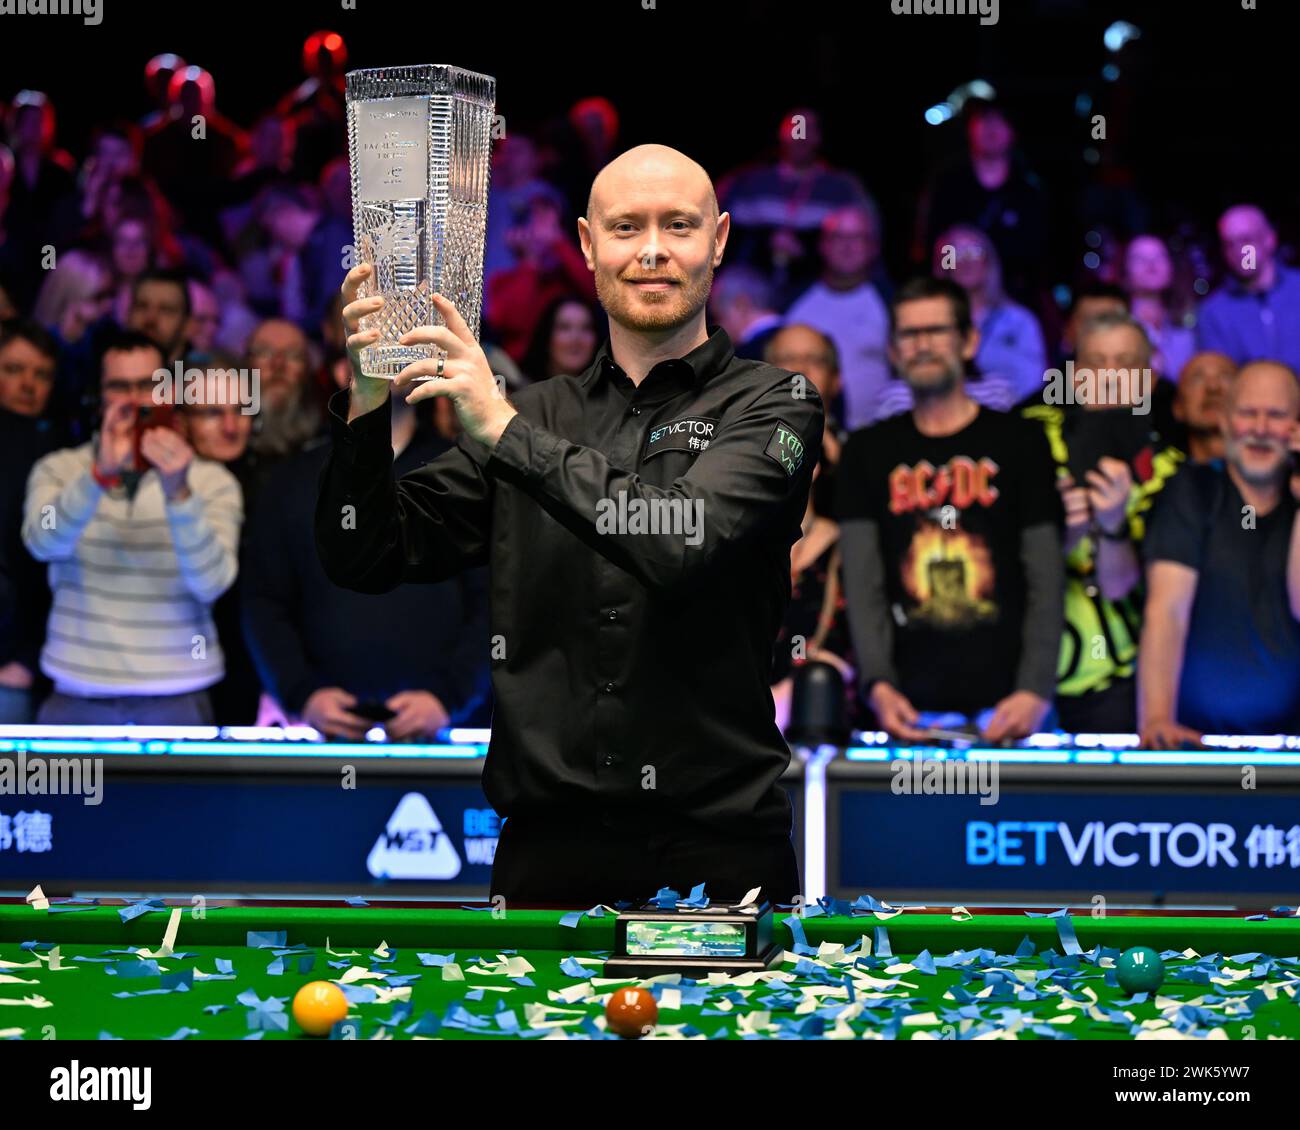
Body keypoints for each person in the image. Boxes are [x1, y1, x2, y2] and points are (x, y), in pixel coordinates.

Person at [318, 143, 823, 906]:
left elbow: (682, 538)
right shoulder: (536, 414)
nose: (652, 250)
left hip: (719, 853)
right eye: (626, 228)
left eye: (678, 226)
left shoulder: (776, 401)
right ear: (588, 245)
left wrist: (505, 431)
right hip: (545, 856)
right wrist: (365, 402)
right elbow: (364, 551)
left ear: (718, 241)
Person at [836, 277, 1063, 741]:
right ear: (894, 351)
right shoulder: (866, 451)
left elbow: (1046, 572)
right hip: (905, 707)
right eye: (909, 334)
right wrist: (877, 684)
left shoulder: (1020, 442)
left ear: (968, 341)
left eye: (936, 331)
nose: (922, 345)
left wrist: (1036, 689)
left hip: (1011, 705)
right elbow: (863, 582)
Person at [244, 358, 489, 739]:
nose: (391, 363)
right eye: (376, 347)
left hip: (445, 735)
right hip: (319, 737)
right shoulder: (292, 482)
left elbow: (495, 600)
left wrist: (450, 697)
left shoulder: (465, 473)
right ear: (344, 369)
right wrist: (301, 694)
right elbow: (264, 601)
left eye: (403, 352)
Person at [22, 330, 242, 724]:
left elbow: (211, 582)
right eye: (120, 387)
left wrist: (180, 494)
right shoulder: (59, 468)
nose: (135, 400)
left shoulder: (211, 481)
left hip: (179, 694)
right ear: (98, 397)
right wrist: (97, 477)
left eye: (148, 385)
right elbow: (42, 544)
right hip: (77, 690)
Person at [1021, 312, 1183, 733]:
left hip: (1119, 685)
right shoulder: (1026, 442)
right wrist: (1061, 534)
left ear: (1148, 380)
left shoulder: (1171, 471)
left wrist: (1111, 527)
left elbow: (1125, 587)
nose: (1110, 376)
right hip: (1018, 676)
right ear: (1075, 377)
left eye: (1126, 364)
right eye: (1096, 363)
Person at [1139, 361, 1300, 744]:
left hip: (1289, 749)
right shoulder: (1192, 489)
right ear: (1225, 420)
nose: (1260, 429)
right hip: (1194, 741)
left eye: (1276, 415)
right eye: (1248, 413)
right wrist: (1157, 718)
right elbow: (1167, 611)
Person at [719, 108, 872, 301]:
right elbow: (722, 237)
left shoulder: (842, 188)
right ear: (780, 134)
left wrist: (806, 251)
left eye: (808, 130)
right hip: (754, 284)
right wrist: (766, 242)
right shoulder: (746, 182)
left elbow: (865, 242)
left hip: (818, 285)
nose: (800, 137)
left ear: (819, 137)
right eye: (794, 128)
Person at [914, 98, 1049, 308]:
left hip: (1013, 300)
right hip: (954, 299)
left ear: (1013, 132)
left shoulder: (1028, 190)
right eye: (984, 120)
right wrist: (951, 277)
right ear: (970, 128)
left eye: (1000, 121)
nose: (992, 128)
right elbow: (935, 244)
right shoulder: (947, 184)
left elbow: (1037, 255)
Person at [0, 320, 61, 723]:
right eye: (13, 369)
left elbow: (53, 571)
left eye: (41, 375)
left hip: (18, 666)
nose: (28, 384)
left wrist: (27, 660)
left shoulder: (60, 454)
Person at [784, 205, 891, 430]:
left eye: (857, 238)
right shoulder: (793, 302)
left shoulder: (890, 302)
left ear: (872, 248)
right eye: (838, 237)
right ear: (823, 245)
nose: (847, 246)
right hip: (805, 433)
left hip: (878, 434)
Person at [933, 223, 1046, 406]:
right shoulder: (931, 322)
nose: (966, 261)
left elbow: (1034, 384)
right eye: (956, 253)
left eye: (975, 252)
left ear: (988, 261)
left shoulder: (1019, 321)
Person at [1197, 205, 1300, 373]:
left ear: (1270, 239)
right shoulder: (1213, 312)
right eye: (1229, 244)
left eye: (1246, 240)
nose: (1239, 251)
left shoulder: (1297, 289)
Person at [1123, 234, 1195, 381]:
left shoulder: (1187, 322)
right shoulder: (1117, 323)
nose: (1151, 264)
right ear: (1125, 270)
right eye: (1139, 259)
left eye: (1159, 257)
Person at [519, 296, 602, 384]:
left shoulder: (612, 393)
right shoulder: (517, 392)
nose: (575, 338)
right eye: (564, 327)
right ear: (547, 335)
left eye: (586, 328)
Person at [1172, 351, 1236, 464]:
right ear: (1178, 407)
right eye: (1197, 378)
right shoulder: (1154, 476)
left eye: (1226, 377)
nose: (1213, 387)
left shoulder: (1273, 475)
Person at [709, 265, 783, 361]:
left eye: (718, 317)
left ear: (741, 305)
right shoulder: (799, 335)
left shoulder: (747, 357)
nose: (716, 326)